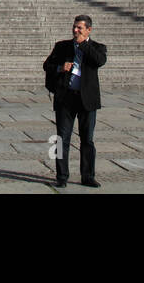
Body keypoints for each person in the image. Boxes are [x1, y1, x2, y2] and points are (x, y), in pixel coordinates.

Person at [42, 15, 107, 188]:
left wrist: (83, 44)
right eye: (74, 27)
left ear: (88, 30)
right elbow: (46, 65)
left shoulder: (97, 47)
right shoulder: (62, 46)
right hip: (66, 98)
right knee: (62, 139)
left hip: (87, 100)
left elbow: (100, 61)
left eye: (79, 28)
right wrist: (59, 67)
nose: (75, 30)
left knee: (87, 139)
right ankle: (61, 176)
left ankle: (87, 176)